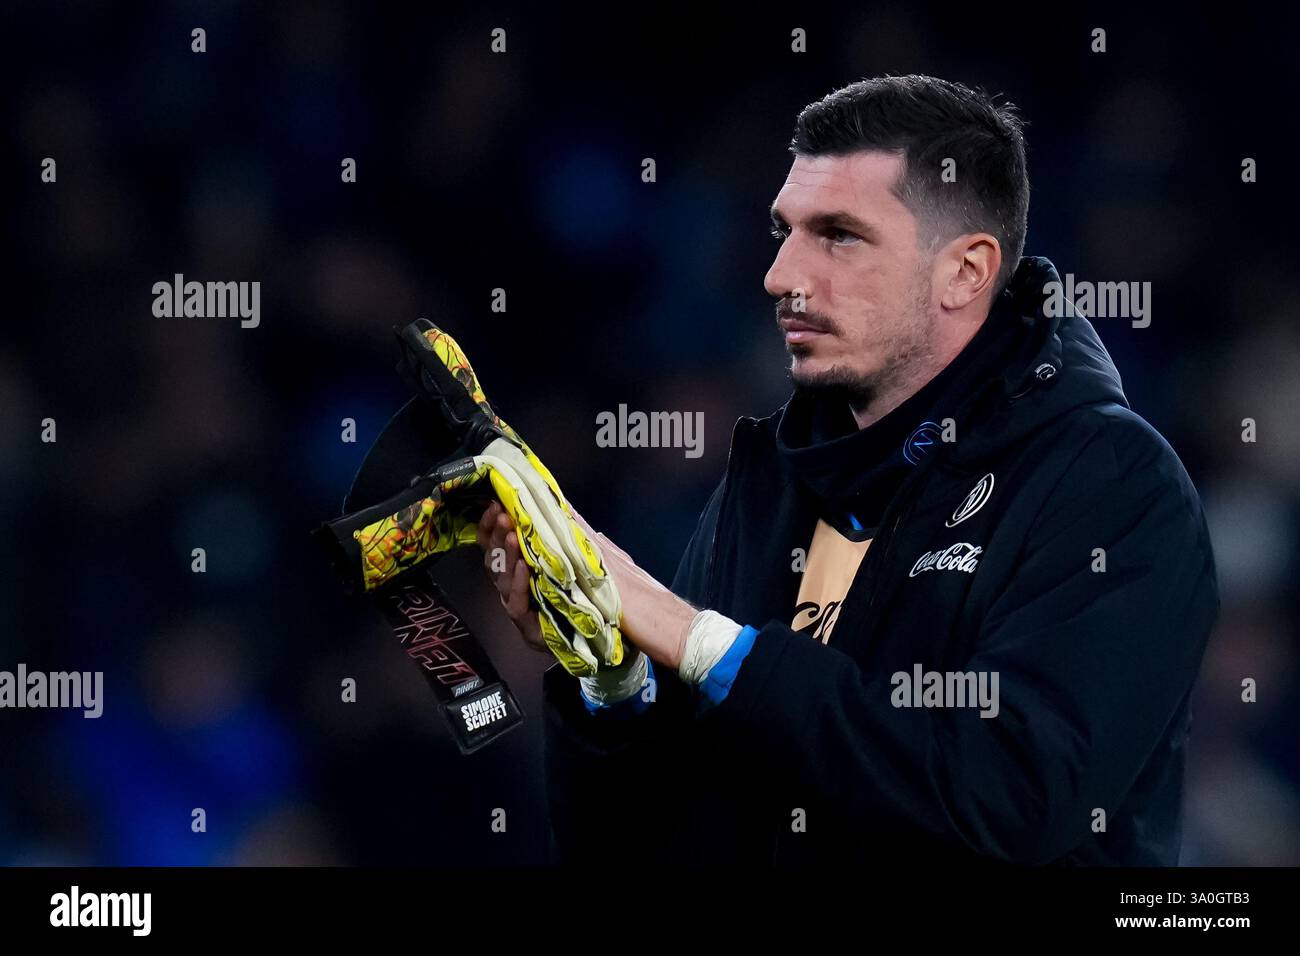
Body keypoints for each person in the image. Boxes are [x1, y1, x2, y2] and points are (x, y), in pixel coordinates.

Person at [477, 75, 1219, 865]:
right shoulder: (766, 486)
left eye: (838, 235)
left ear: (966, 271)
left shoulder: (1108, 483)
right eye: (783, 231)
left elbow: (1009, 802)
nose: (781, 277)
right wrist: (614, 685)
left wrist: (697, 639)